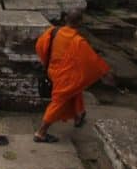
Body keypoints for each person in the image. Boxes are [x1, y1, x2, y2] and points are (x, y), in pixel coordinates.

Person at [33, 10, 110, 143]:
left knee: (76, 88)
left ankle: (78, 115)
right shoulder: (78, 41)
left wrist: (47, 61)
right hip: (64, 76)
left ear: (65, 20)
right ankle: (41, 132)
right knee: (58, 102)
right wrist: (105, 73)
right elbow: (91, 60)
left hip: (52, 70)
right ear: (80, 22)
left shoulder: (53, 31)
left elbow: (40, 46)